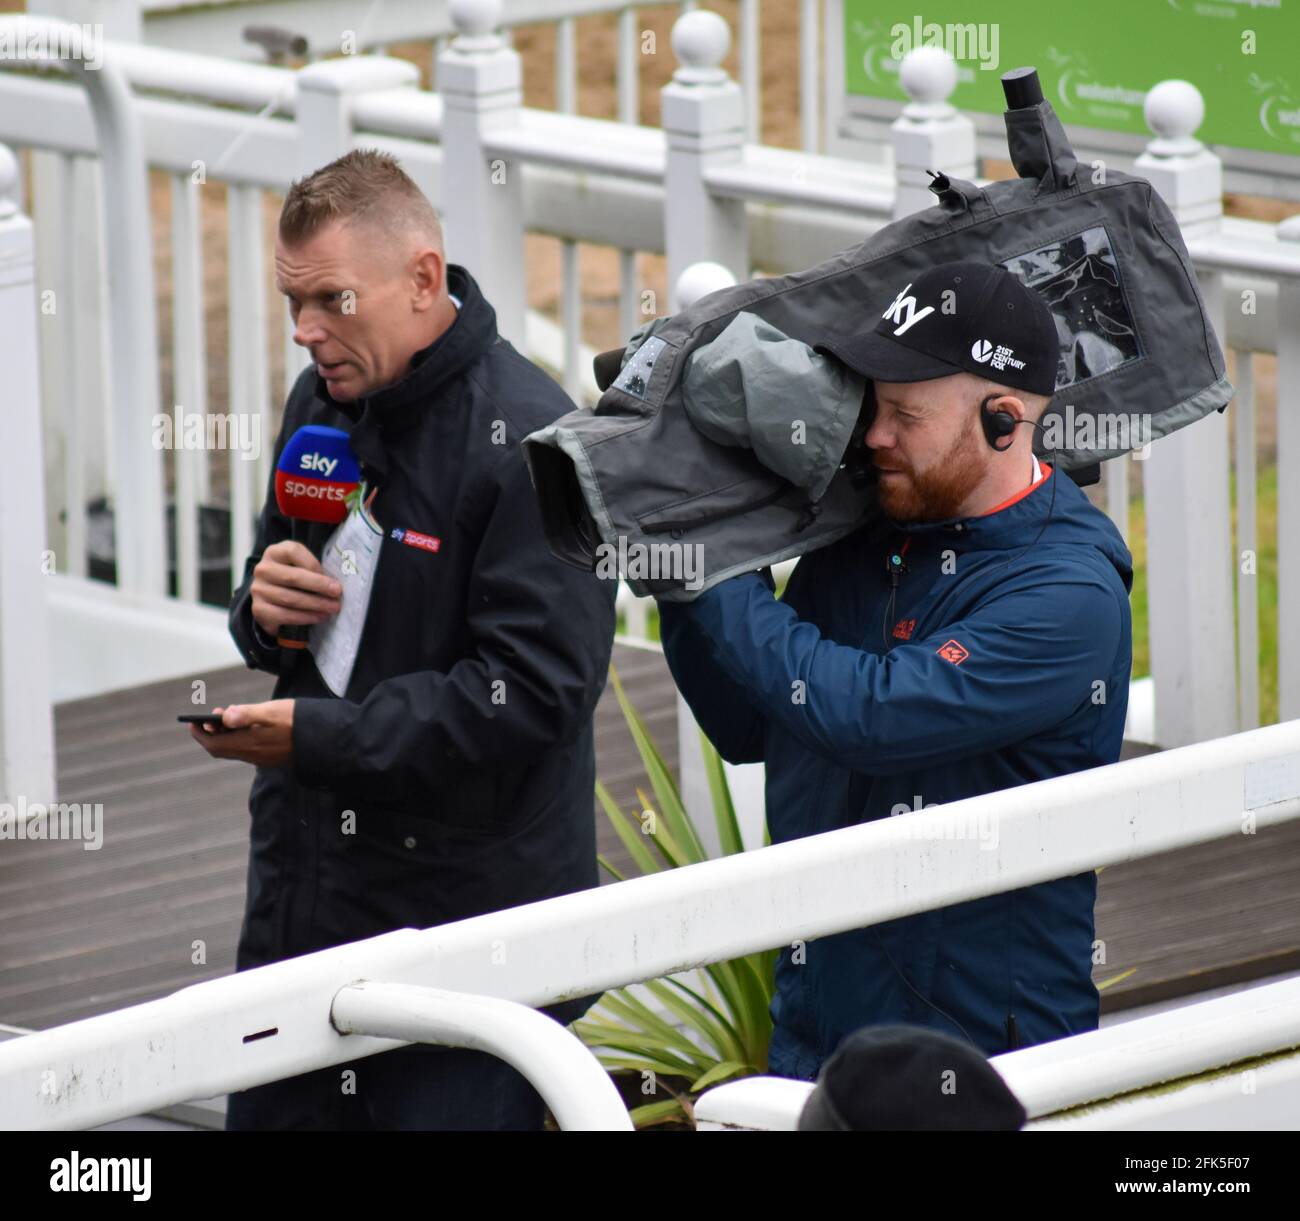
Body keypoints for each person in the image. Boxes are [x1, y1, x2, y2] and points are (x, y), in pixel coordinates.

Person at [189, 149, 617, 1129]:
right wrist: (263, 607)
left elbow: (535, 695)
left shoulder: (535, 442)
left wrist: (316, 737)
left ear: (423, 278)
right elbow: (277, 617)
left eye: (332, 299)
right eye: (294, 302)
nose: (306, 332)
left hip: (464, 941)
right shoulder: (322, 402)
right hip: (303, 914)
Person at [658, 261, 1133, 1081]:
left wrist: (709, 567)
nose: (875, 436)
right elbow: (749, 728)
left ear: (1003, 419)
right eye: (874, 407)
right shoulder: (872, 533)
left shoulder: (1068, 596)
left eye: (905, 414)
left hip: (978, 1051)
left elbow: (867, 716)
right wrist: (681, 562)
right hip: (817, 1023)